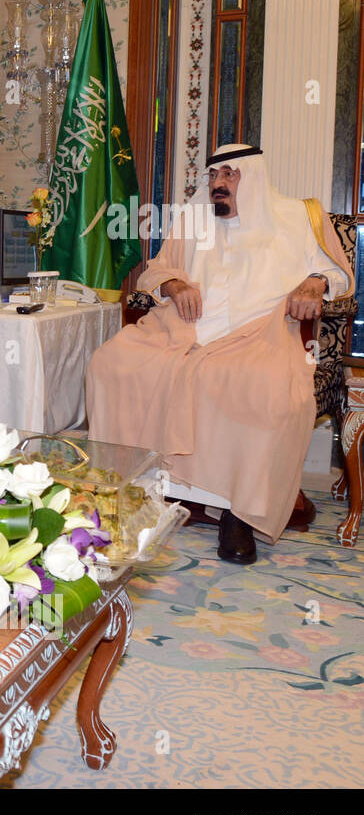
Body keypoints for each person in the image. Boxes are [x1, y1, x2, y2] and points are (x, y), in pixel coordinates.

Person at [85, 144, 353, 562]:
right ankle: (130, 489)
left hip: (261, 332)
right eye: (213, 176)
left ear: (253, 175)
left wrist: (314, 283)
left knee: (260, 386)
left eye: (230, 174)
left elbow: (337, 272)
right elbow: (156, 270)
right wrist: (175, 284)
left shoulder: (298, 217)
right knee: (111, 364)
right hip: (184, 329)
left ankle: (238, 513)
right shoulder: (193, 219)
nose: (218, 183)